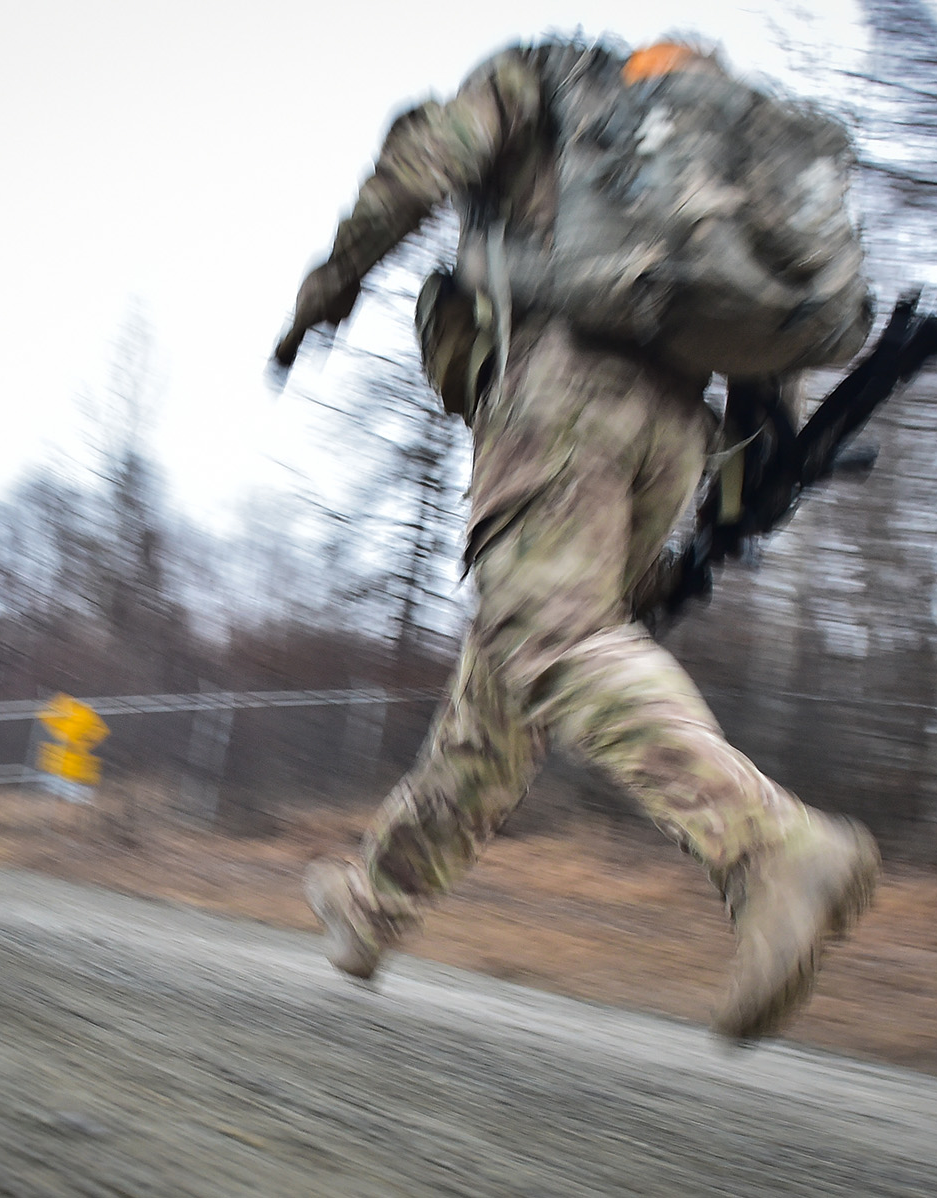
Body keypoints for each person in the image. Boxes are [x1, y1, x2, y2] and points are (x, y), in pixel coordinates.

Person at [275, 35, 879, 1041]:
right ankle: (371, 905)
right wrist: (738, 479)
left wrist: (325, 288)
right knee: (502, 701)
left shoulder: (550, 84)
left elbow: (424, 161)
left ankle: (770, 845)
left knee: (548, 640)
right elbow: (761, 364)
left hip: (558, 395)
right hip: (674, 436)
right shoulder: (702, 176)